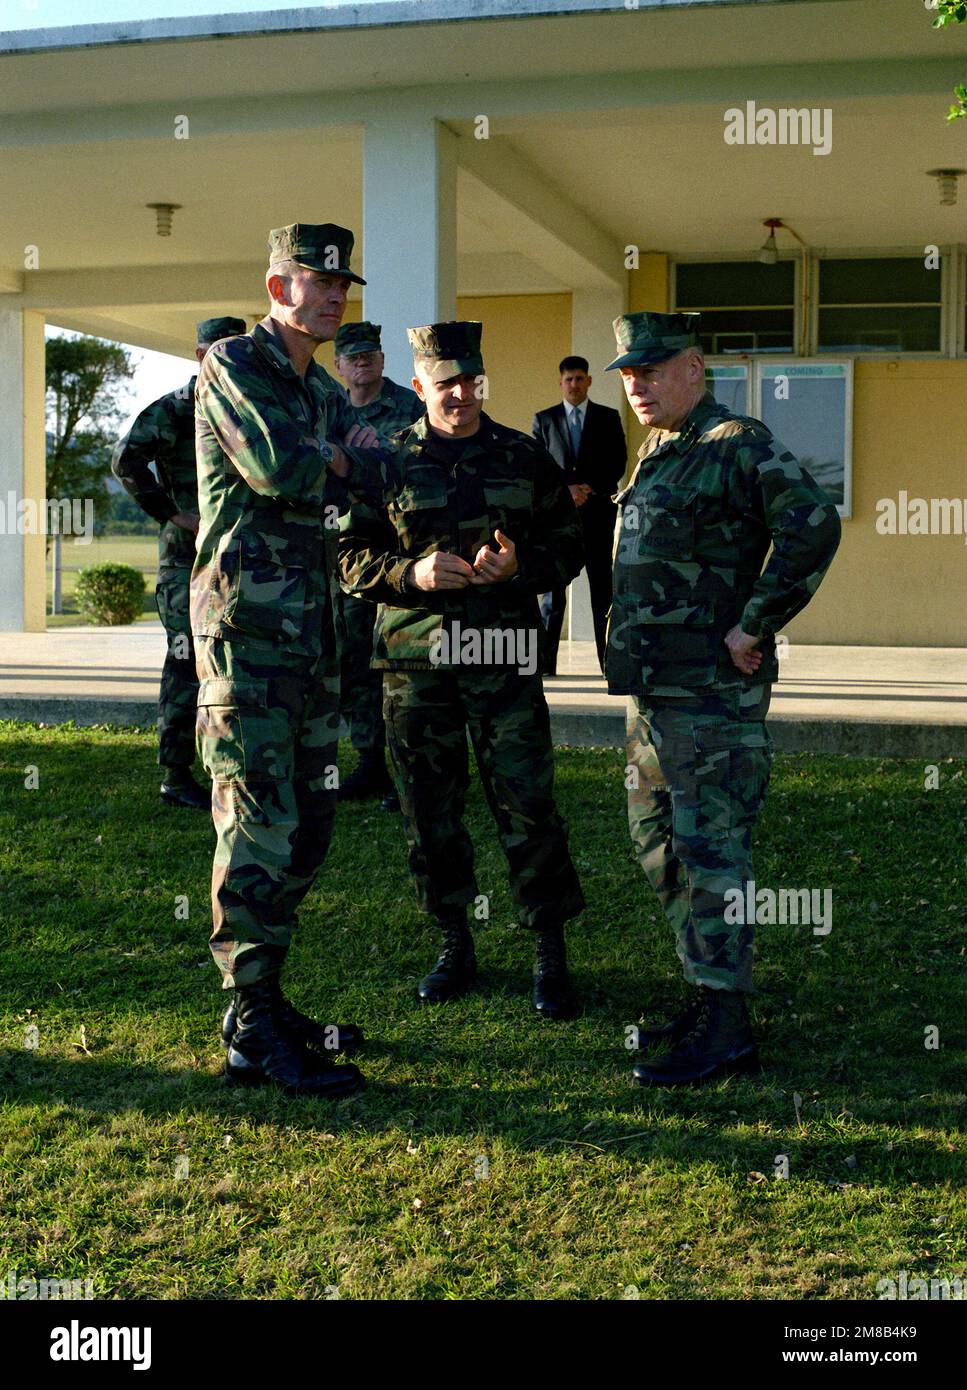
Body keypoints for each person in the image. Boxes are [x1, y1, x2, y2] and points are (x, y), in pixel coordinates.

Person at [605, 311, 841, 1087]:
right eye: (628, 374)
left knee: (712, 852)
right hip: (654, 696)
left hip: (709, 697)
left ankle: (728, 1024)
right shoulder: (659, 449)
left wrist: (754, 622)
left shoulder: (734, 442)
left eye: (651, 369)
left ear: (693, 368)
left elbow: (809, 524)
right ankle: (704, 990)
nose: (636, 385)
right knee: (659, 845)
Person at [339, 321, 586, 1018]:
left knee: (528, 803)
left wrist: (523, 569)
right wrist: (409, 572)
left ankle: (549, 949)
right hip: (415, 666)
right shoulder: (383, 460)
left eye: (470, 381)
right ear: (418, 387)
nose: (459, 394)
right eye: (444, 382)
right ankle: (453, 943)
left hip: (502, 658)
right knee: (428, 810)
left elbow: (567, 543)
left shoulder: (522, 454)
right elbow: (350, 556)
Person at [192, 223, 381, 1098]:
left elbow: (372, 469)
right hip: (247, 635)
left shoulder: (319, 389)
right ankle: (252, 1019)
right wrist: (337, 461)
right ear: (278, 288)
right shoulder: (235, 364)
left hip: (313, 637)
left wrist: (347, 462)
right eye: (317, 282)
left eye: (343, 285)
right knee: (258, 820)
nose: (335, 297)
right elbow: (277, 468)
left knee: (307, 826)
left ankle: (261, 1001)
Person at [111, 316, 246, 809]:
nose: (226, 360)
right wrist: (173, 514)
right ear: (198, 354)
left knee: (235, 662)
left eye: (235, 350)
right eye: (216, 350)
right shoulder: (173, 409)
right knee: (187, 660)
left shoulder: (247, 407)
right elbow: (125, 459)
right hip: (185, 561)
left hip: (240, 558)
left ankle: (231, 763)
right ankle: (175, 773)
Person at [332, 321, 422, 809]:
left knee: (402, 660)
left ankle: (410, 769)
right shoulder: (329, 410)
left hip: (397, 554)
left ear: (382, 361)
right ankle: (369, 762)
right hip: (346, 555)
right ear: (339, 366)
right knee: (353, 661)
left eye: (371, 355)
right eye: (353, 357)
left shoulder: (410, 409)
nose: (363, 362)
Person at [532, 356, 627, 673]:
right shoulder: (544, 420)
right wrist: (566, 491)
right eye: (568, 379)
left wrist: (589, 488)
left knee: (603, 592)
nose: (574, 384)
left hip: (598, 519)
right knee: (551, 596)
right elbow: (538, 468)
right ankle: (545, 663)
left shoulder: (608, 418)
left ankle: (608, 661)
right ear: (561, 383)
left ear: (589, 381)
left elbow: (617, 462)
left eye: (579, 378)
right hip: (557, 523)